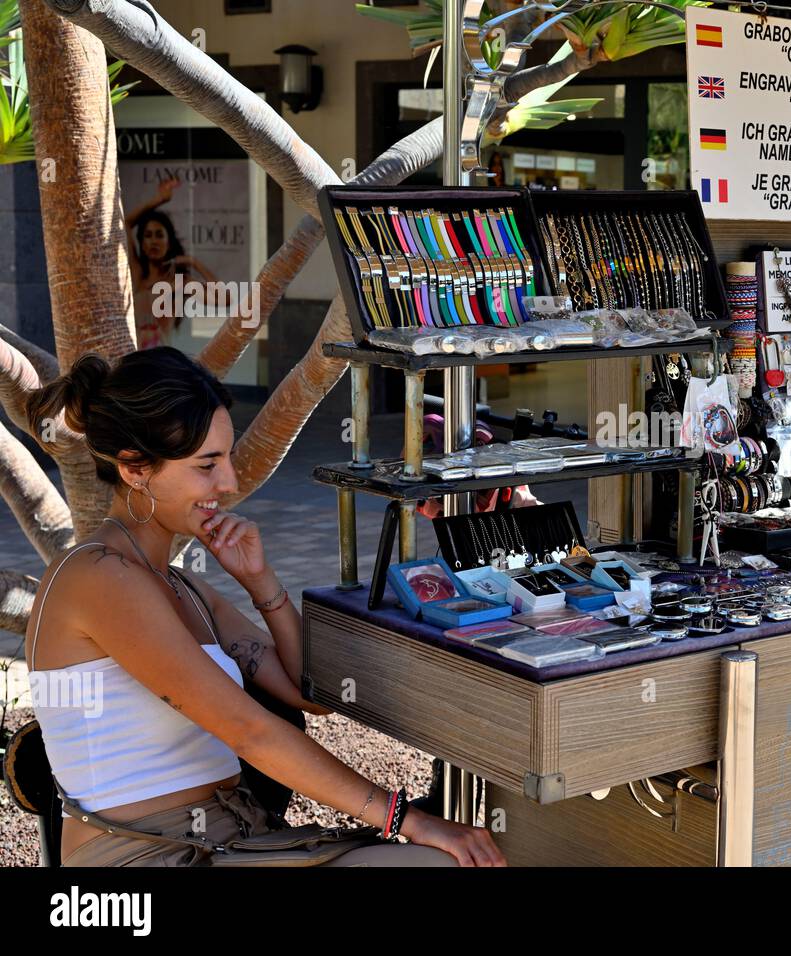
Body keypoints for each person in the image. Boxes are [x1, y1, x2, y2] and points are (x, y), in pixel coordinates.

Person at [23, 348, 506, 867]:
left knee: (451, 862)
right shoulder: (98, 578)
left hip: (235, 837)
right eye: (207, 465)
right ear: (135, 469)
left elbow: (309, 695)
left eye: (227, 459)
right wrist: (407, 820)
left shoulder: (183, 587)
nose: (228, 483)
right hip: (143, 856)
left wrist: (261, 582)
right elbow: (249, 730)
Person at [125, 178, 219, 349]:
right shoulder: (137, 276)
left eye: (159, 235)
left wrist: (193, 262)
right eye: (148, 235)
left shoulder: (180, 283)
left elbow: (224, 299)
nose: (154, 241)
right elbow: (127, 224)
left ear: (169, 242)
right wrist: (159, 199)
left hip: (162, 365)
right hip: (131, 364)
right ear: (142, 243)